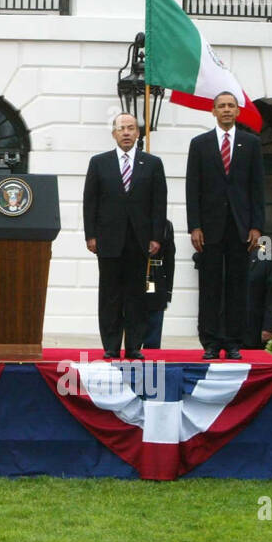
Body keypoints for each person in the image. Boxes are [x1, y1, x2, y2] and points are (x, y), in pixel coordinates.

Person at [186, 91, 265, 359]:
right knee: (210, 286)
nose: (227, 110)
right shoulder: (200, 144)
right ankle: (209, 341)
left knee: (236, 285)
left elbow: (257, 188)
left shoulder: (251, 144)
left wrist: (256, 226)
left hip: (240, 228)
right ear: (214, 111)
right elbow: (192, 188)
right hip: (209, 228)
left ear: (238, 111)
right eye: (222, 106)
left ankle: (233, 342)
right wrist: (194, 225)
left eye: (231, 106)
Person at [83, 113, 168, 358]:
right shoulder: (99, 163)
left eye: (131, 128)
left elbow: (158, 204)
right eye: (122, 128)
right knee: (110, 295)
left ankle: (133, 346)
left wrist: (156, 237)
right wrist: (91, 235)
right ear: (114, 134)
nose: (127, 133)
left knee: (136, 296)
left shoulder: (152, 164)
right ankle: (110, 346)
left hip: (140, 241)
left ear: (138, 133)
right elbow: (90, 202)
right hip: (108, 240)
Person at [142, 219, 176, 349]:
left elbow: (169, 259)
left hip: (154, 277)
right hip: (135, 276)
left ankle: (151, 350)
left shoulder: (165, 226)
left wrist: (168, 291)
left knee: (155, 314)